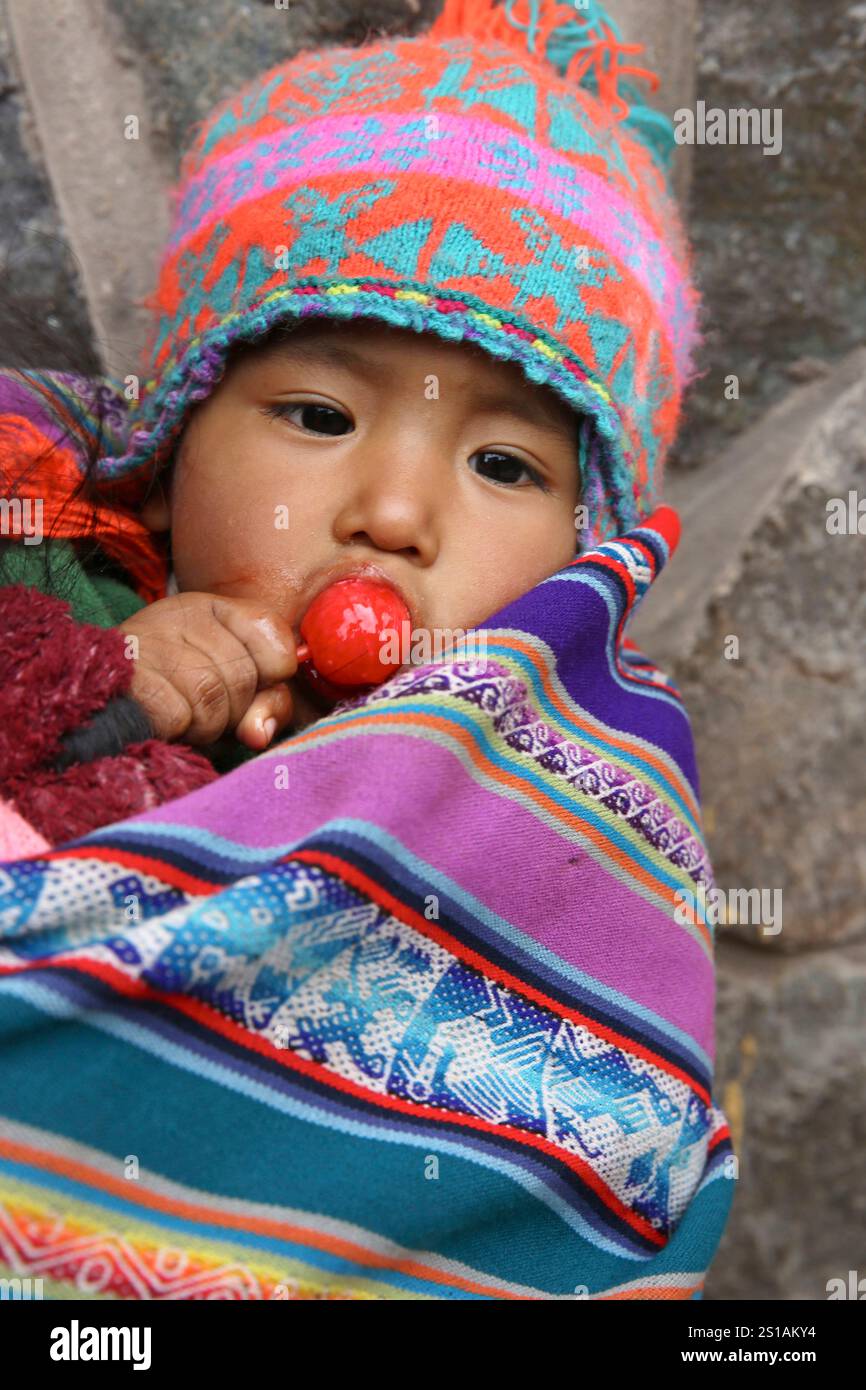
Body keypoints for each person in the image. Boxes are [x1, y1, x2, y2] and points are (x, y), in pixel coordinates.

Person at [0, 0, 734, 1300]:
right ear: (166, 459)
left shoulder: (576, 817)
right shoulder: (38, 585)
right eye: (318, 414)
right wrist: (90, 691)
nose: (393, 514)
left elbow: (609, 1139)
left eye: (501, 465)